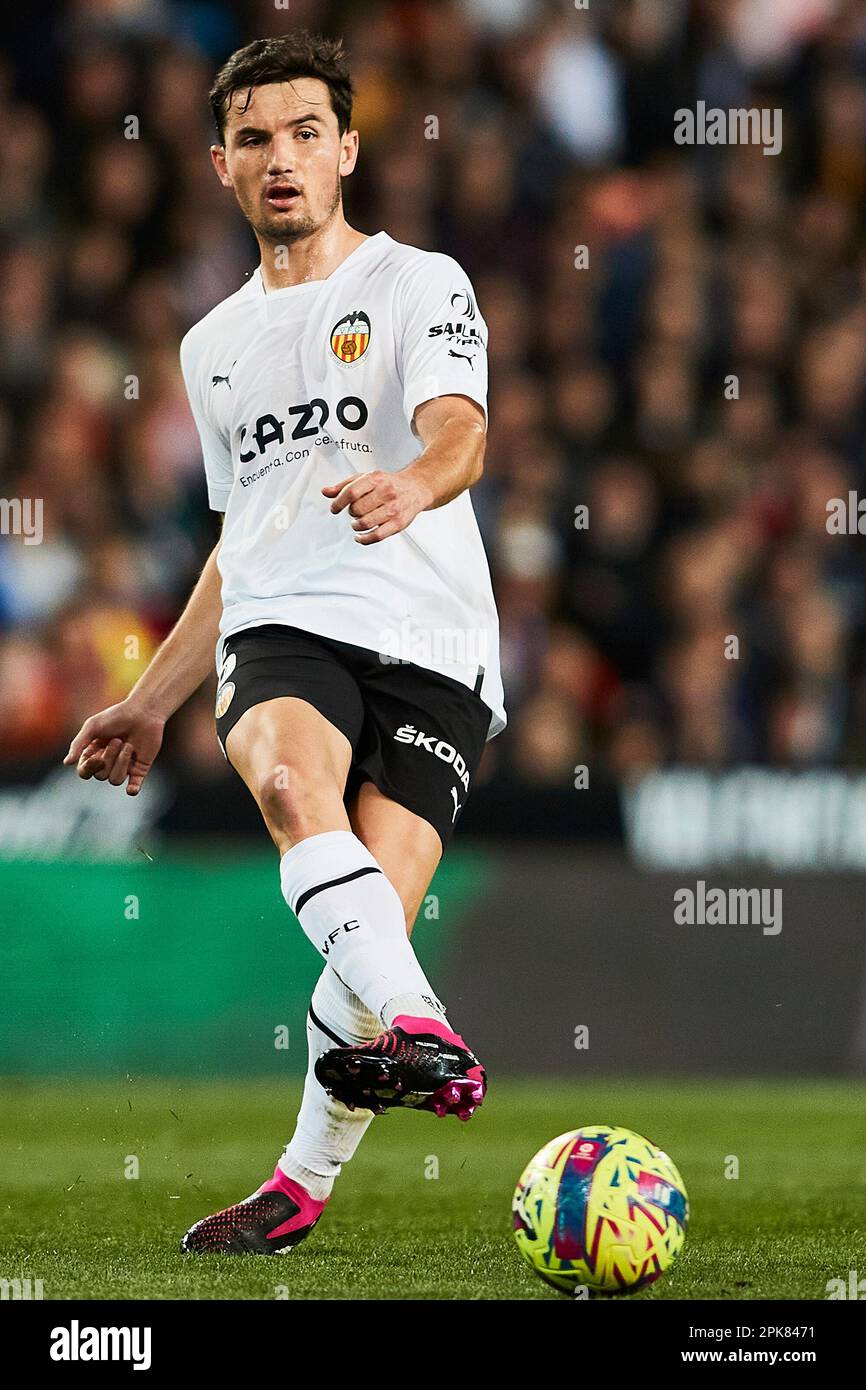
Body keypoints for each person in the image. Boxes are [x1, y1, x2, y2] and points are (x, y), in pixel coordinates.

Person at [64, 29, 505, 1257]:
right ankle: (425, 1028)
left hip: (431, 632)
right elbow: (240, 543)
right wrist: (153, 697)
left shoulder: (422, 281)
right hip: (286, 622)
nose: (281, 157)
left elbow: (460, 433)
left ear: (347, 149)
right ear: (218, 162)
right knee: (282, 778)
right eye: (254, 137)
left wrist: (414, 485)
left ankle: (301, 1181)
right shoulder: (212, 347)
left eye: (306, 132)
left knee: (365, 937)